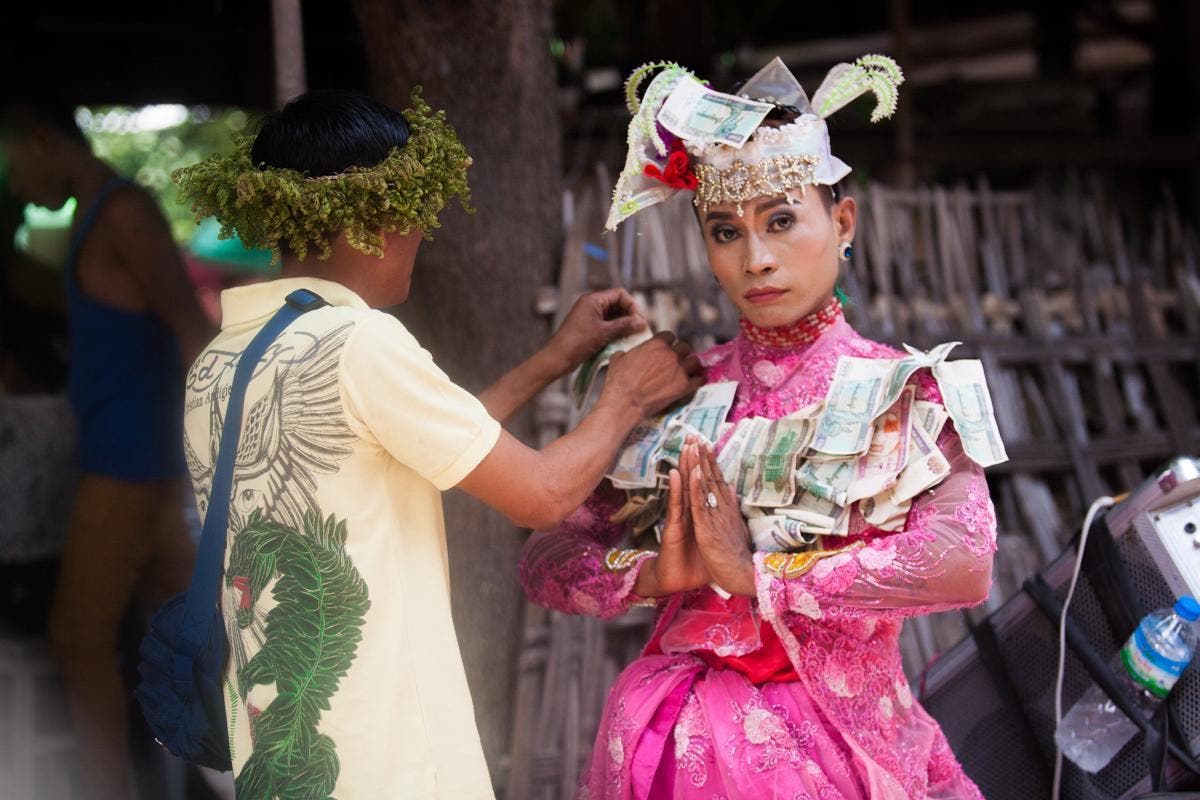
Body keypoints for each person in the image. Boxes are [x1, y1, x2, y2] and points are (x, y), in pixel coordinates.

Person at [172, 89, 703, 799]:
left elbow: (420, 451)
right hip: (387, 761)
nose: (423, 234)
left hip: (282, 760)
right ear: (375, 220)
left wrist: (554, 358)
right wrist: (628, 395)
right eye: (419, 215)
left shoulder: (224, 360)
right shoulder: (359, 343)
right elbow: (542, 495)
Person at [518, 57, 1001, 799]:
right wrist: (653, 575)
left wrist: (758, 576)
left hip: (843, 753)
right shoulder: (677, 390)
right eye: (725, 231)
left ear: (842, 222)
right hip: (665, 751)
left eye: (781, 220)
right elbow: (547, 555)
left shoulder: (908, 391)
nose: (757, 258)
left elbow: (962, 560)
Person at [2, 99, 215, 800]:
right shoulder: (95, 217)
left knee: (78, 637)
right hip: (136, 464)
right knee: (195, 643)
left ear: (41, 139)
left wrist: (222, 456)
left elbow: (190, 329)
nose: (15, 185)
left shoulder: (123, 214)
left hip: (130, 465)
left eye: (14, 164)